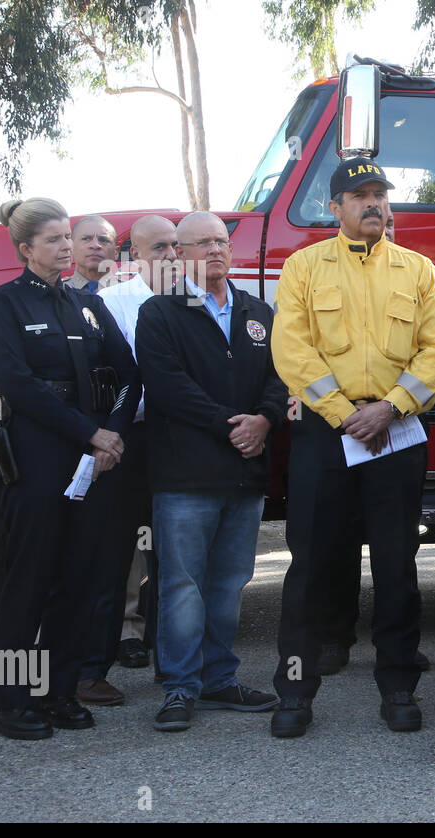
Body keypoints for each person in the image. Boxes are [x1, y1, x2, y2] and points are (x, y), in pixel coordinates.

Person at [269, 156, 435, 738]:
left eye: (380, 193)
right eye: (361, 195)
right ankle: (295, 692)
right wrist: (347, 415)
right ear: (336, 207)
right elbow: (292, 352)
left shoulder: (418, 270)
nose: (374, 203)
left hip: (395, 431)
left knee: (397, 567)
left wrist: (390, 407)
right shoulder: (302, 268)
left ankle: (399, 687)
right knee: (312, 565)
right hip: (329, 435)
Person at [0, 198, 140, 739]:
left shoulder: (87, 306)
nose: (67, 247)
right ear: (26, 250)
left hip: (96, 455)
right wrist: (89, 433)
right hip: (41, 451)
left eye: (68, 237)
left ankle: (57, 691)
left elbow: (128, 375)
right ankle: (9, 703)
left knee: (81, 577)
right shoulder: (5, 304)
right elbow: (17, 384)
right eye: (53, 239)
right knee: (30, 580)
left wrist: (111, 433)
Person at [135, 211, 285, 731]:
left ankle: (220, 679)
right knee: (181, 585)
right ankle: (180, 687)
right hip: (186, 477)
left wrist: (265, 420)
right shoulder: (160, 313)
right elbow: (168, 386)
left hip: (245, 475)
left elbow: (280, 376)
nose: (216, 250)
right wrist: (232, 427)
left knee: (229, 583)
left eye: (222, 241)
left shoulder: (259, 312)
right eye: (203, 243)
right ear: (180, 252)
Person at [82, 214, 180, 688]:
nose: (170, 256)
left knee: (172, 555)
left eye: (176, 247)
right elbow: (118, 377)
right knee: (116, 552)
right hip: (131, 437)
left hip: (179, 441)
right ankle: (94, 669)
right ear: (135, 255)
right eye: (159, 248)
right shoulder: (112, 301)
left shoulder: (197, 298)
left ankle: (173, 666)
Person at [65, 216, 119, 293]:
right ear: (71, 247)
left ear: (116, 252)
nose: (95, 245)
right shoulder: (56, 292)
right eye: (86, 239)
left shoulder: (131, 294)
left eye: (103, 240)